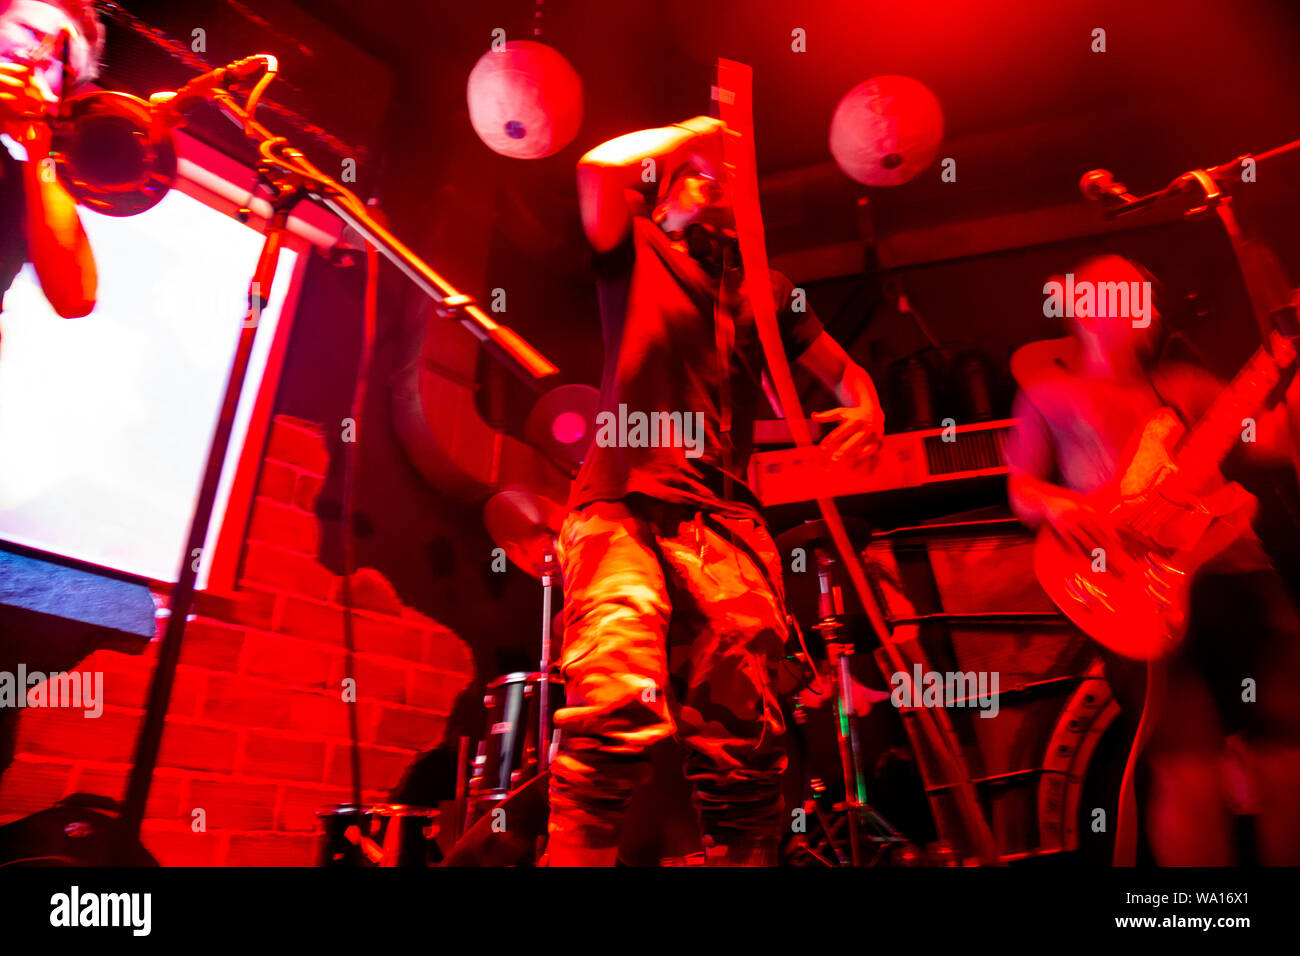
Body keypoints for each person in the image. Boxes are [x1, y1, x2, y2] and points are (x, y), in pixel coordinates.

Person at [546, 114, 884, 866]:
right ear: (665, 191)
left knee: (746, 748)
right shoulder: (635, 247)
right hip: (623, 505)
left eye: (727, 180)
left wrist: (868, 404)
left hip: (726, 523)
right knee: (611, 705)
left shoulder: (763, 287)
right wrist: (700, 130)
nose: (717, 183)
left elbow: (845, 375)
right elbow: (598, 167)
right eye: (699, 173)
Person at [1006, 253, 1300, 865]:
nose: (1129, 299)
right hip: (1136, 593)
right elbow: (1021, 489)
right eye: (1110, 288)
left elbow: (1269, 438)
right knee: (1186, 773)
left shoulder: (1187, 384)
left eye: (1138, 289)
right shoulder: (1049, 393)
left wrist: (1292, 375)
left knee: (1290, 758)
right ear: (1080, 308)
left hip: (1238, 580)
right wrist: (1063, 503)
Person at [0, 0, 100, 337]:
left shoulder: (23, 185)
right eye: (29, 32)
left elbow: (75, 297)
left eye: (60, 60)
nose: (39, 55)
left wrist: (39, 144)